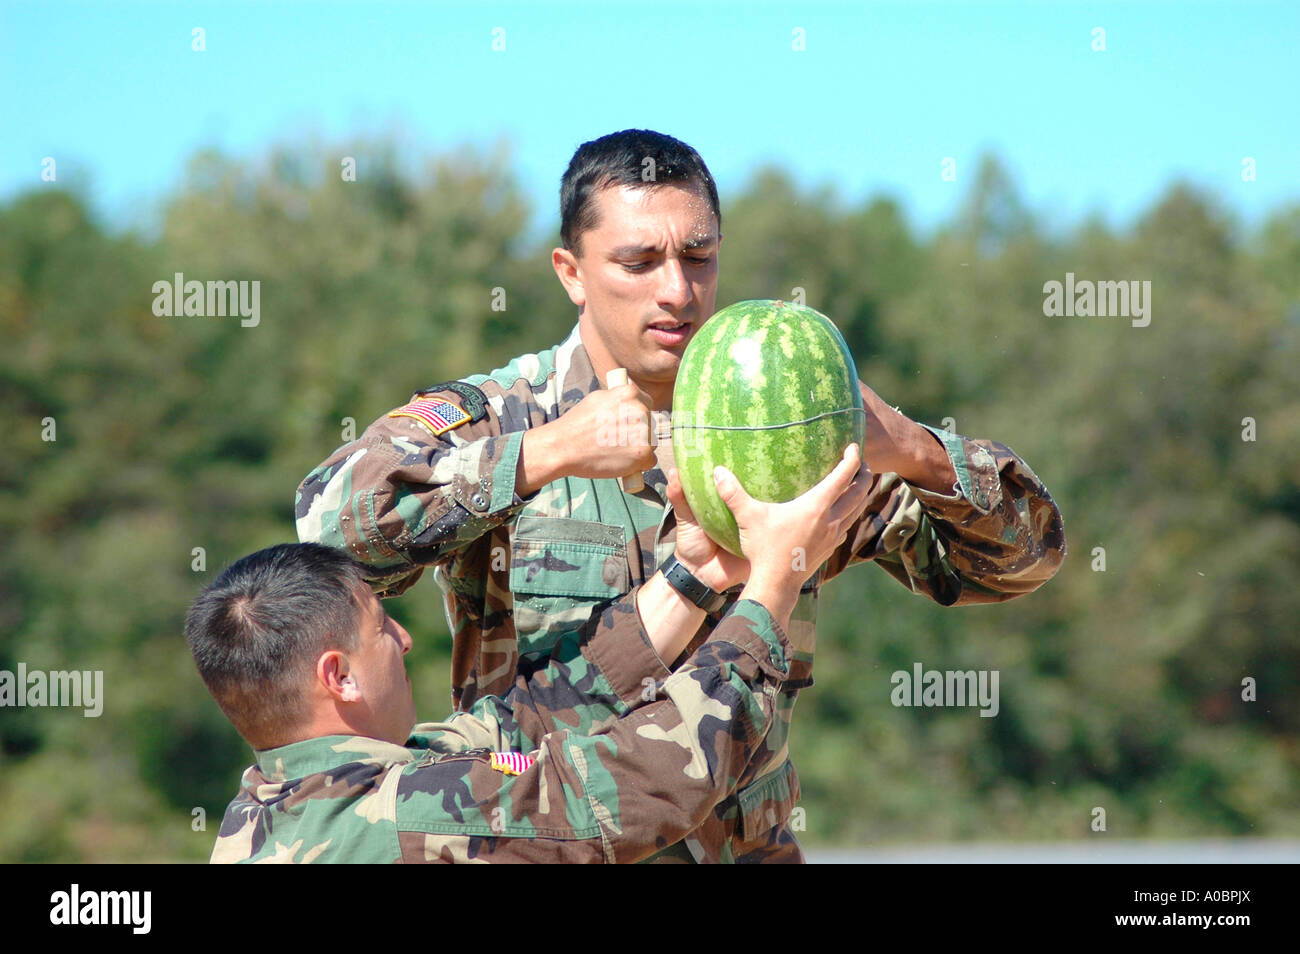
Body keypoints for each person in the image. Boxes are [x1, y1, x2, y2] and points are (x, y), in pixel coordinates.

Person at [294, 128, 1067, 863]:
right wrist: (547, 454)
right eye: (639, 261)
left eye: (698, 257)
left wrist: (916, 451)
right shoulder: (507, 414)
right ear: (571, 272)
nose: (677, 290)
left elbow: (1014, 565)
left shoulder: (782, 426)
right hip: (546, 844)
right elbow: (326, 536)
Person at [193, 446, 872, 862]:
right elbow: (642, 784)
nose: (403, 640)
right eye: (380, 627)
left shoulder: (269, 807)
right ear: (335, 676)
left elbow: (530, 724)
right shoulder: (409, 814)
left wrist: (695, 579)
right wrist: (775, 586)